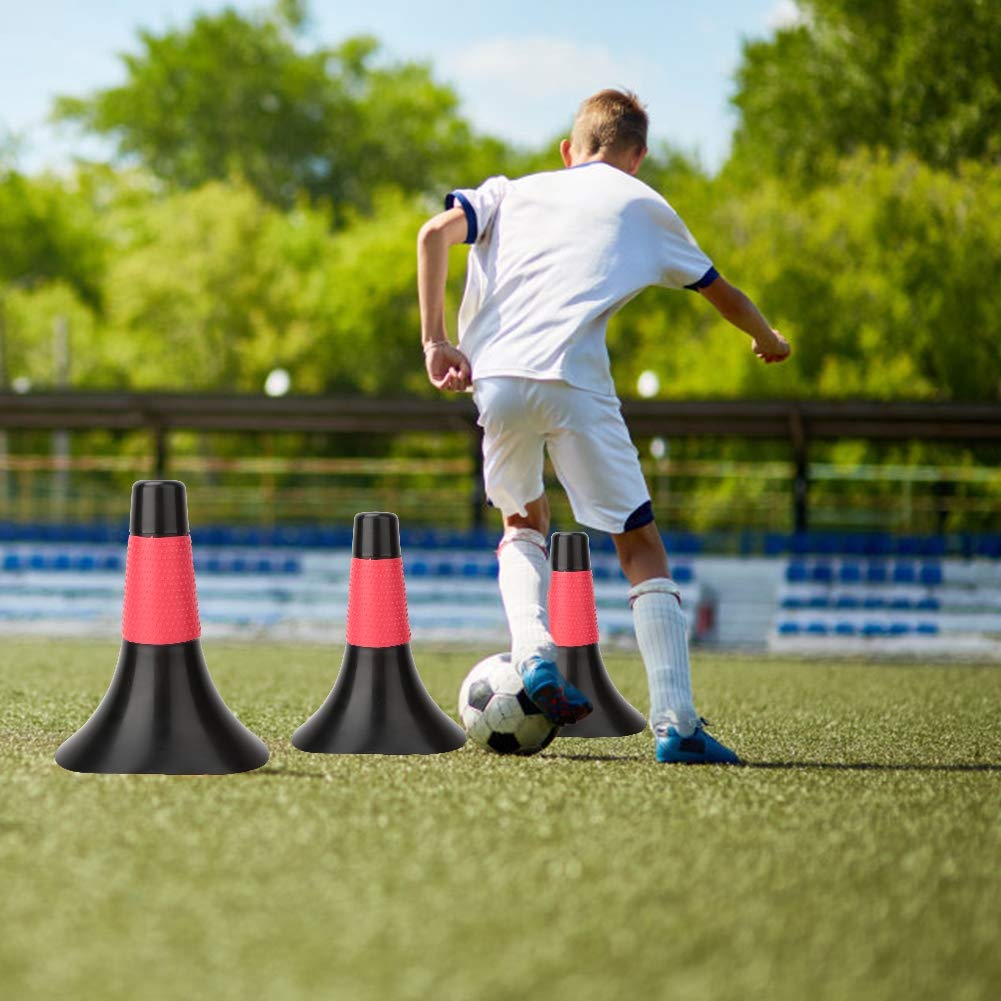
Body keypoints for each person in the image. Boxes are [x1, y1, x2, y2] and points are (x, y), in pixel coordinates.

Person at [416, 89, 790, 763]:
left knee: (521, 525)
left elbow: (430, 234)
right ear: (636, 159)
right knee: (637, 546)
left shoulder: (511, 191)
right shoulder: (643, 205)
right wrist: (766, 338)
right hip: (573, 383)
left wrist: (434, 343)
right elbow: (721, 291)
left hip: (494, 382)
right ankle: (676, 726)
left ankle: (533, 655)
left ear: (568, 151)